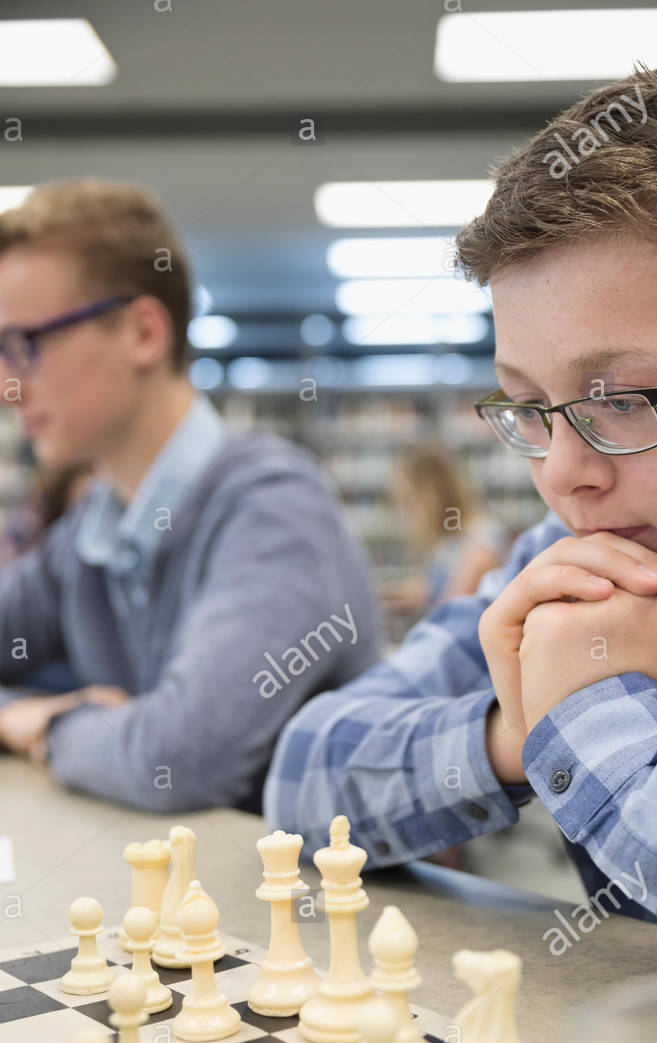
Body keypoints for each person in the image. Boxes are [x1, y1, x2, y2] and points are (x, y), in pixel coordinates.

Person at [265, 58, 657, 980]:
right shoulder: (584, 551)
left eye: (622, 399)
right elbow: (303, 774)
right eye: (529, 406)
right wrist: (513, 734)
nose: (563, 474)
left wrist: (587, 720)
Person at [0, 179, 381, 811]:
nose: (8, 388)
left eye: (23, 347)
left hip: (327, 901)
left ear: (143, 332)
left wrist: (47, 727)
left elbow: (177, 762)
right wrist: (20, 714)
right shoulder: (92, 529)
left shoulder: (276, 509)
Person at [382, 445, 513, 618]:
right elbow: (434, 586)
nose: (407, 516)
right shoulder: (451, 539)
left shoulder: (481, 538)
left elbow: (452, 610)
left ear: (430, 497)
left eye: (409, 504)